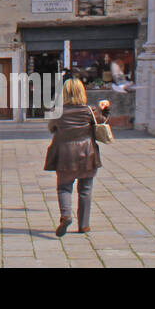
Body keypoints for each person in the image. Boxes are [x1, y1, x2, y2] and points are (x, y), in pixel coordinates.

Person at [44, 78, 111, 236]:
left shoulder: (58, 111)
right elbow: (103, 123)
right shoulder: (90, 110)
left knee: (64, 188)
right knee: (85, 190)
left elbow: (52, 128)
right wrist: (106, 110)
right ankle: (84, 225)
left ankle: (66, 216)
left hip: (65, 157)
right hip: (87, 155)